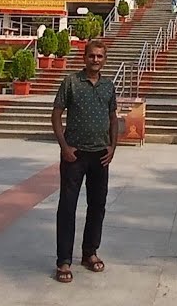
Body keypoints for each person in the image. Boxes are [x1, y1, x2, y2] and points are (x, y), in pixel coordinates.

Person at [52, 39, 119, 284]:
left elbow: (113, 118)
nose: (96, 60)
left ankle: (89, 252)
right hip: (74, 154)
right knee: (68, 207)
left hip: (100, 155)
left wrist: (113, 147)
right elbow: (56, 115)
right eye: (92, 56)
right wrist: (64, 146)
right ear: (85, 57)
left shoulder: (108, 87)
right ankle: (63, 260)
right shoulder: (71, 83)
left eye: (100, 56)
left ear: (105, 59)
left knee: (97, 206)